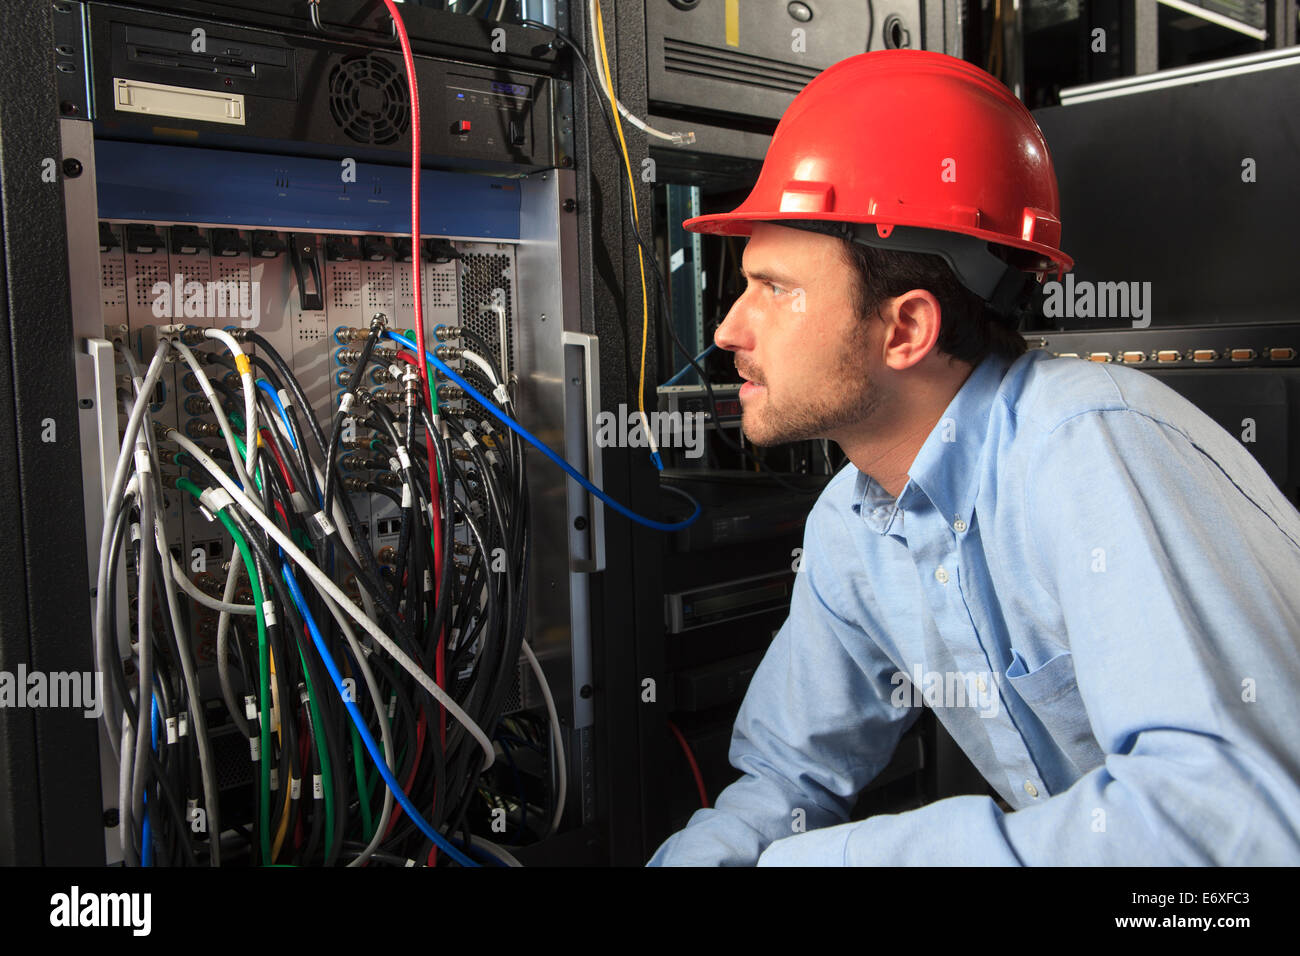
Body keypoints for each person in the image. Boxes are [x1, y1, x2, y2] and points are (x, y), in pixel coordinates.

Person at [647, 50, 1300, 866]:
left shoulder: (1089, 451)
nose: (728, 331)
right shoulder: (854, 526)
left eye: (776, 289)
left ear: (906, 330)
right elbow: (786, 780)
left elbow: (1229, 823)